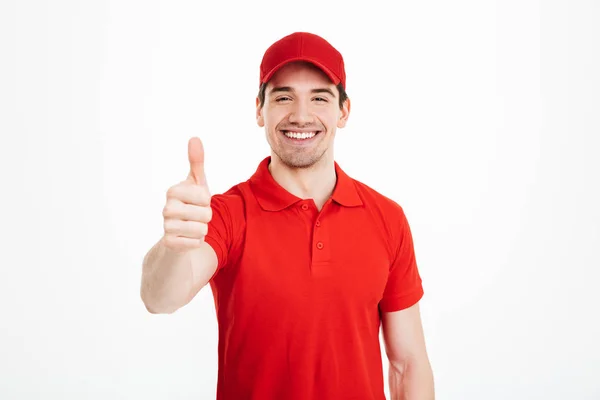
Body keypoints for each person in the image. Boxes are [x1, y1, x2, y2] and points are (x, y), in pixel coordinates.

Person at [140, 31, 435, 400]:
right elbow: (159, 298)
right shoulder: (227, 214)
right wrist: (175, 247)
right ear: (259, 109)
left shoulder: (387, 218)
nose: (300, 115)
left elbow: (408, 365)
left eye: (319, 98)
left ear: (343, 111)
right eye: (283, 97)